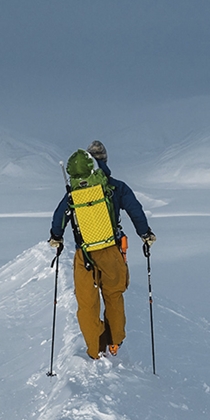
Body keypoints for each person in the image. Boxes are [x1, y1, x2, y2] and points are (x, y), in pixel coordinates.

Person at [49, 141, 157, 359]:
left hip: (84, 254)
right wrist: (145, 234)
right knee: (113, 296)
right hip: (111, 251)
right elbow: (135, 210)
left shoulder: (75, 192)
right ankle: (114, 343)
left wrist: (56, 238)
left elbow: (59, 216)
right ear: (104, 163)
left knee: (87, 304)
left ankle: (96, 349)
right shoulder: (116, 186)